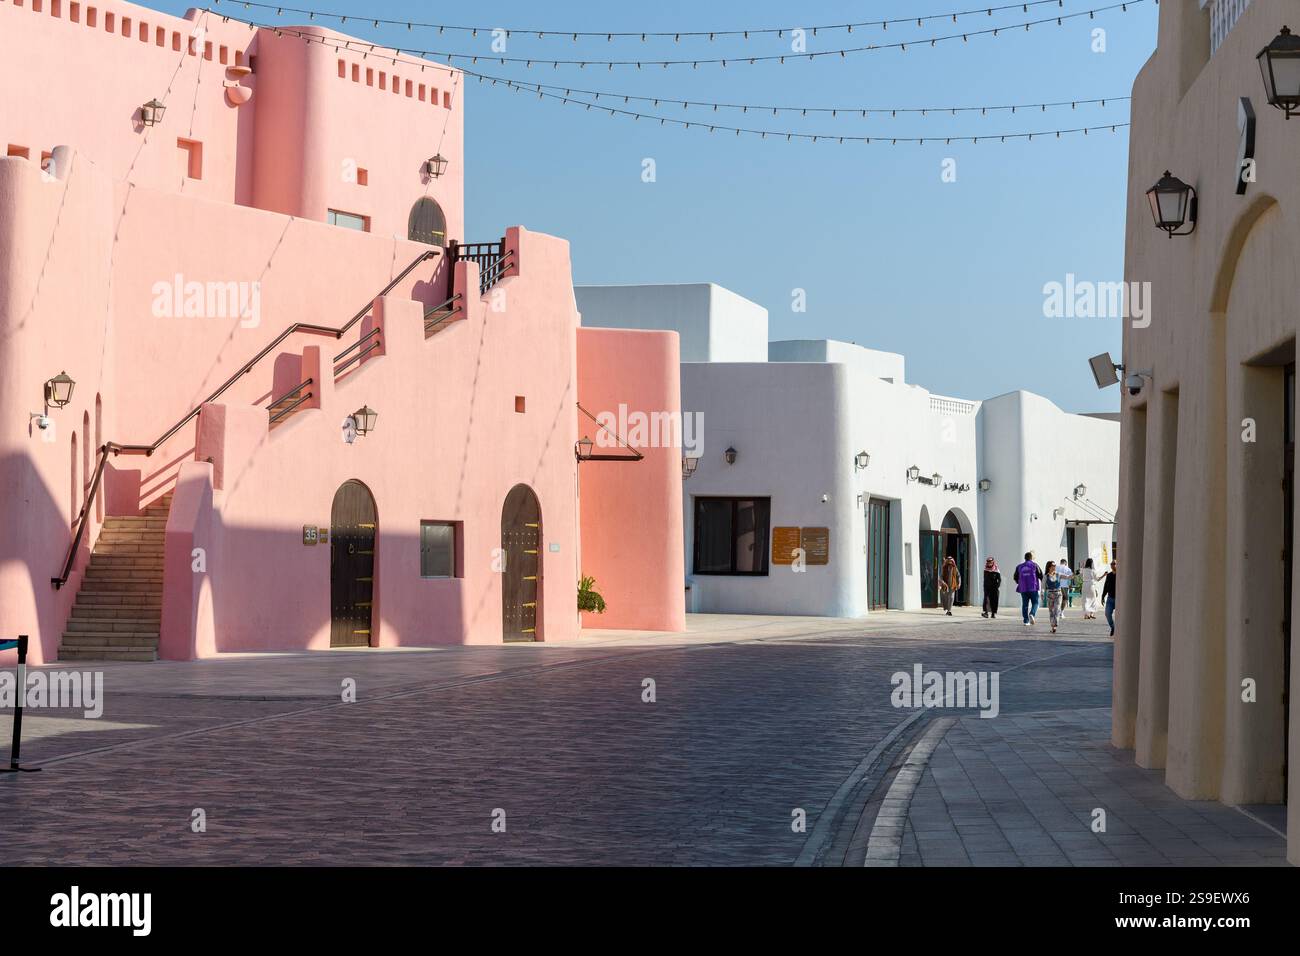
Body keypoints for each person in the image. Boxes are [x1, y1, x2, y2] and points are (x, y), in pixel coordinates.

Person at [1013, 551, 1043, 626]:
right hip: (1033, 587)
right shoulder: (1035, 565)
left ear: (1025, 558)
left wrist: (1020, 583)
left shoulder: (1019, 566)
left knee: (1025, 604)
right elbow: (1041, 575)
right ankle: (1032, 614)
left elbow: (1015, 577)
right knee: (1035, 603)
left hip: (1023, 588)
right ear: (1031, 558)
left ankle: (1026, 621)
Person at [1044, 561, 1063, 633]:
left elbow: (1067, 577)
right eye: (1053, 565)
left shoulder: (1058, 574)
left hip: (1058, 594)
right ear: (1049, 567)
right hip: (1050, 594)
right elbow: (1043, 586)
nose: (1054, 567)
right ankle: (1053, 626)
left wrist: (1074, 575)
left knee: (1057, 609)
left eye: (1055, 565)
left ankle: (1056, 623)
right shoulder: (1046, 576)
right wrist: (1042, 594)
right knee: (1051, 611)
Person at [1100, 559, 1118, 636]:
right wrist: (1103, 596)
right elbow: (1105, 587)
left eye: (1114, 563)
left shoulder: (1121, 575)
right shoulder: (1109, 575)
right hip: (1110, 598)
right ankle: (1113, 627)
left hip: (1119, 599)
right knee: (1107, 614)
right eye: (1111, 564)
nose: (1112, 565)